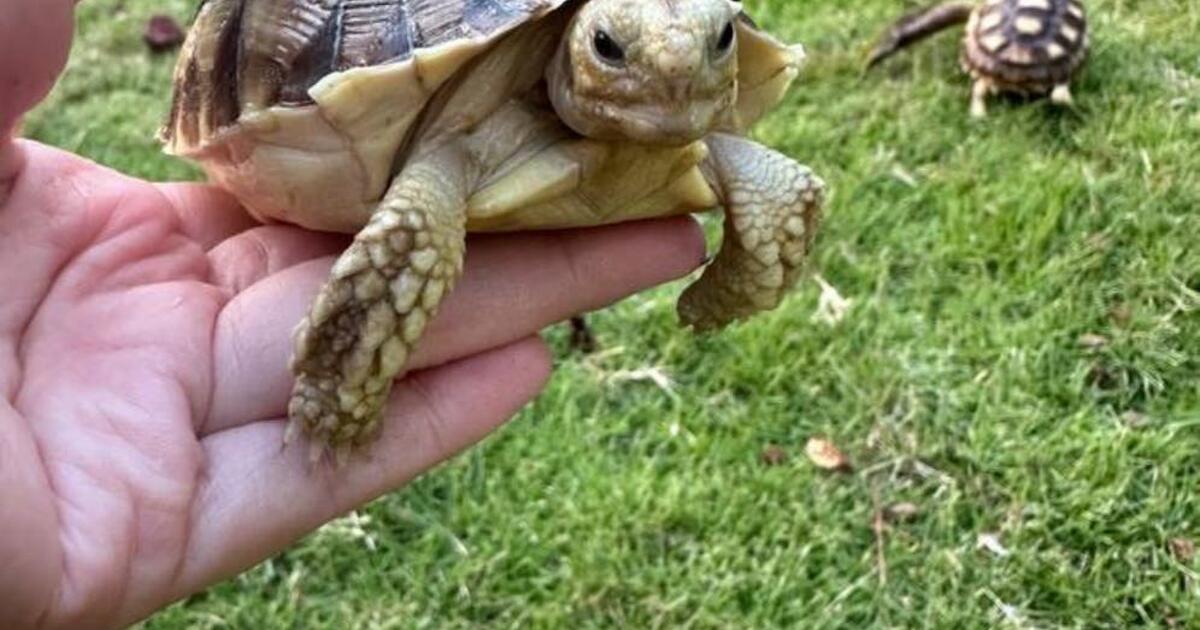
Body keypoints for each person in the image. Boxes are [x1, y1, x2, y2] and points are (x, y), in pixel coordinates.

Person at [0, 3, 705, 628]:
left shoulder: (674, 67)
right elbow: (416, 221)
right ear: (585, 43)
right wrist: (342, 378)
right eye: (612, 51)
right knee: (418, 228)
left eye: (720, 43)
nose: (669, 77)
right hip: (429, 149)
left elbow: (762, 167)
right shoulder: (455, 133)